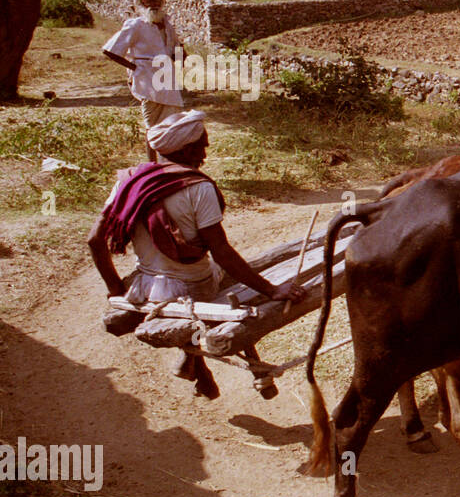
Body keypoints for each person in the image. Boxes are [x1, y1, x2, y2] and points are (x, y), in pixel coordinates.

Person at [88, 111, 307, 398]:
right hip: (195, 284)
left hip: (146, 288)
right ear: (186, 149)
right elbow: (222, 253)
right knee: (228, 291)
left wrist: (115, 289)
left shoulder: (129, 182)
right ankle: (218, 367)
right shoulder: (199, 188)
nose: (205, 153)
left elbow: (95, 240)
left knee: (213, 289)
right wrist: (271, 289)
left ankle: (197, 366)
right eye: (202, 146)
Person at [102, 0, 186, 162]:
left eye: (157, 0)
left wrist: (181, 53)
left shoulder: (167, 26)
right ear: (141, 3)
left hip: (167, 77)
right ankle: (152, 164)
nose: (153, 4)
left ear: (162, 3)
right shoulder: (136, 25)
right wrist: (135, 68)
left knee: (171, 121)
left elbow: (176, 53)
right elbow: (109, 50)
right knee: (152, 123)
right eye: (148, 0)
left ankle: (169, 161)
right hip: (147, 79)